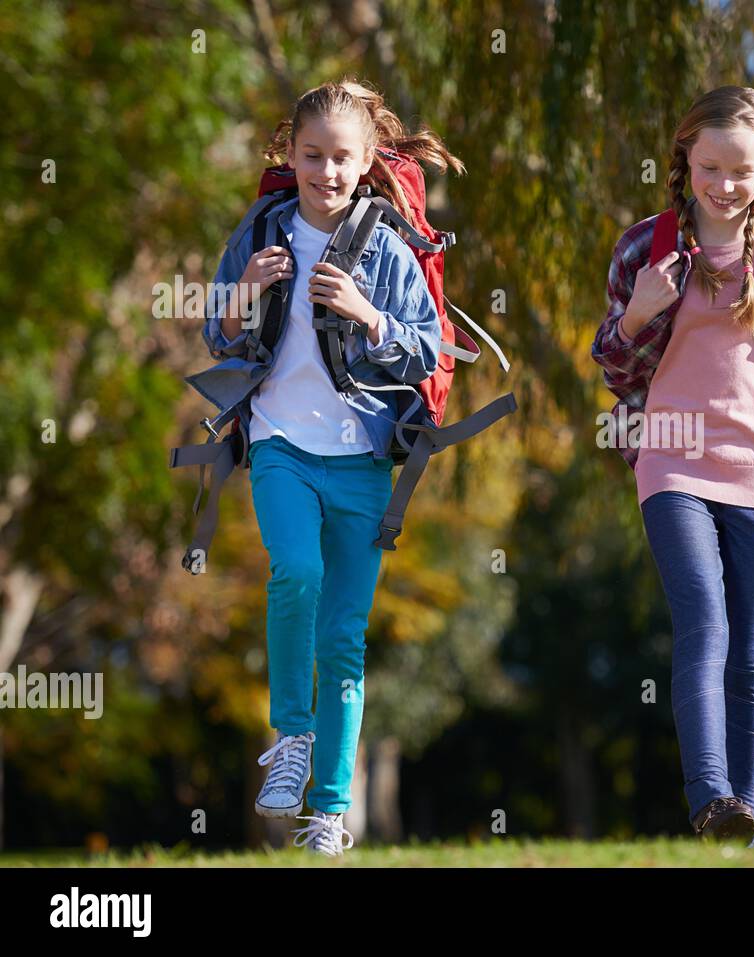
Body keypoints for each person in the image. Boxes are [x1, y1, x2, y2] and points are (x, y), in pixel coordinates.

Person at [191, 79, 459, 855]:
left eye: (343, 158)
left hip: (364, 461)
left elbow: (427, 351)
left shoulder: (387, 246)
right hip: (279, 445)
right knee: (296, 573)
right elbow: (218, 331)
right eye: (313, 156)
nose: (327, 172)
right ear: (291, 154)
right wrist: (245, 289)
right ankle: (293, 740)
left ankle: (331, 811)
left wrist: (367, 314)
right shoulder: (264, 230)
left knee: (344, 637)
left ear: (368, 160)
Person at [590, 85, 754, 847]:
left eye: (741, 169)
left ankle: (740, 812)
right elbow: (616, 367)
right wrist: (638, 311)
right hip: (671, 458)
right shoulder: (646, 246)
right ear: (687, 160)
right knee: (704, 622)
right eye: (710, 167)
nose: (725, 185)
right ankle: (708, 795)